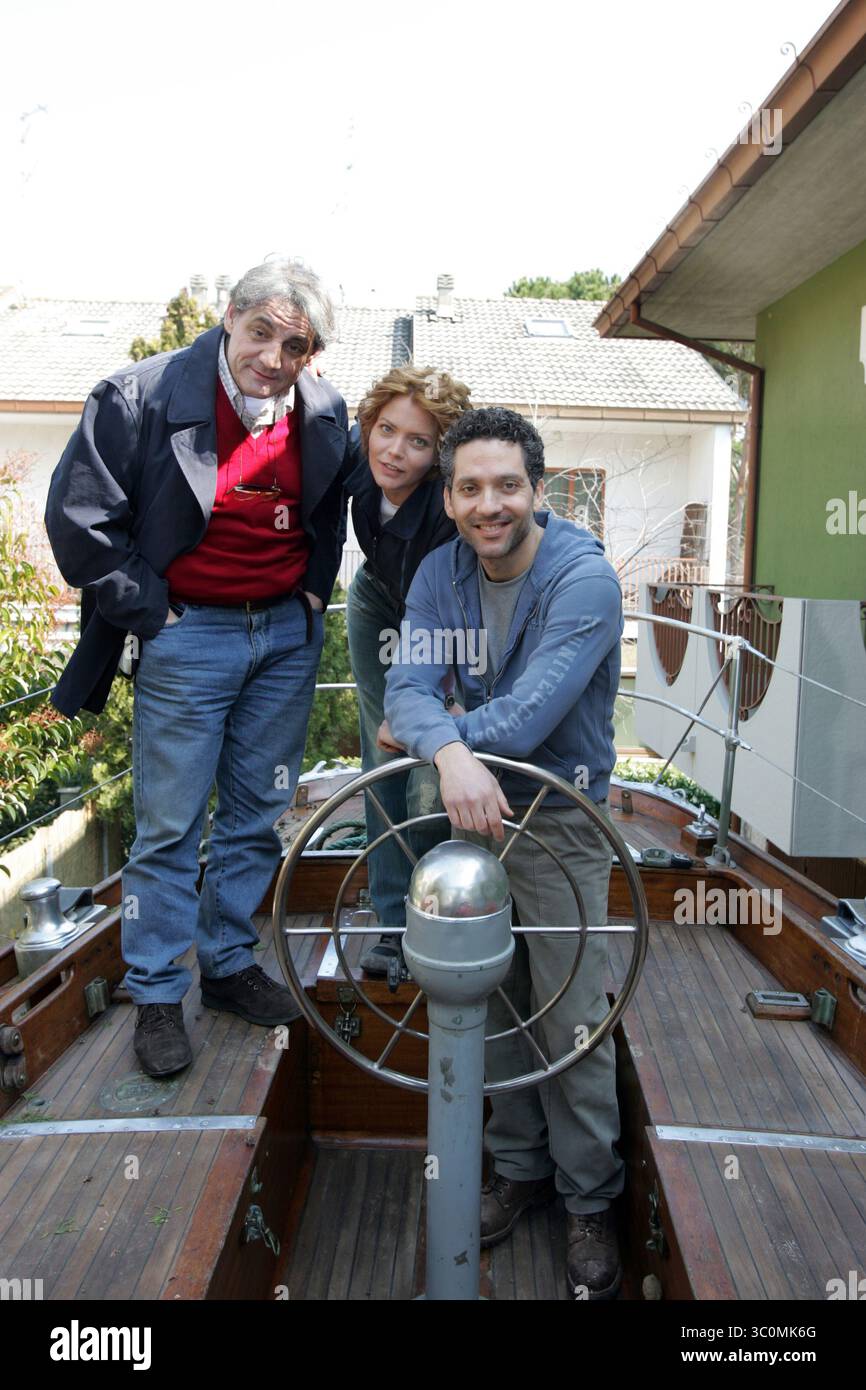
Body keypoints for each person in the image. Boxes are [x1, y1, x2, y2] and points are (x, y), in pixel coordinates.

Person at [45, 259, 350, 1077]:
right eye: (261, 333)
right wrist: (152, 612)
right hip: (188, 636)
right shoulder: (139, 397)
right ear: (229, 317)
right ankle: (153, 993)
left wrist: (315, 594)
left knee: (257, 814)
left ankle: (225, 966)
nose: (274, 357)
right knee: (170, 826)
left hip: (286, 639)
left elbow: (329, 511)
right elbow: (78, 521)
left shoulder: (322, 410)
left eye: (296, 344)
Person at [382, 406, 624, 1298]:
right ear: (448, 499)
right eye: (471, 488)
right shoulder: (441, 575)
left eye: (507, 486)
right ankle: (518, 1170)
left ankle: (590, 1198)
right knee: (492, 1008)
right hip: (469, 809)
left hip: (559, 820)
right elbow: (407, 683)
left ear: (538, 490)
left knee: (570, 1015)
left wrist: (432, 738)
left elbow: (530, 718)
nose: (490, 505)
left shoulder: (583, 582)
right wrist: (447, 754)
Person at [345, 365, 471, 976]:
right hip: (376, 599)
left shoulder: (451, 513)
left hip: (443, 615)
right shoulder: (357, 461)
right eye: (386, 430)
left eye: (417, 442)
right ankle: (393, 922)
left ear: (439, 456)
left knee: (428, 753)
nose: (394, 451)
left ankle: (443, 909)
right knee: (382, 753)